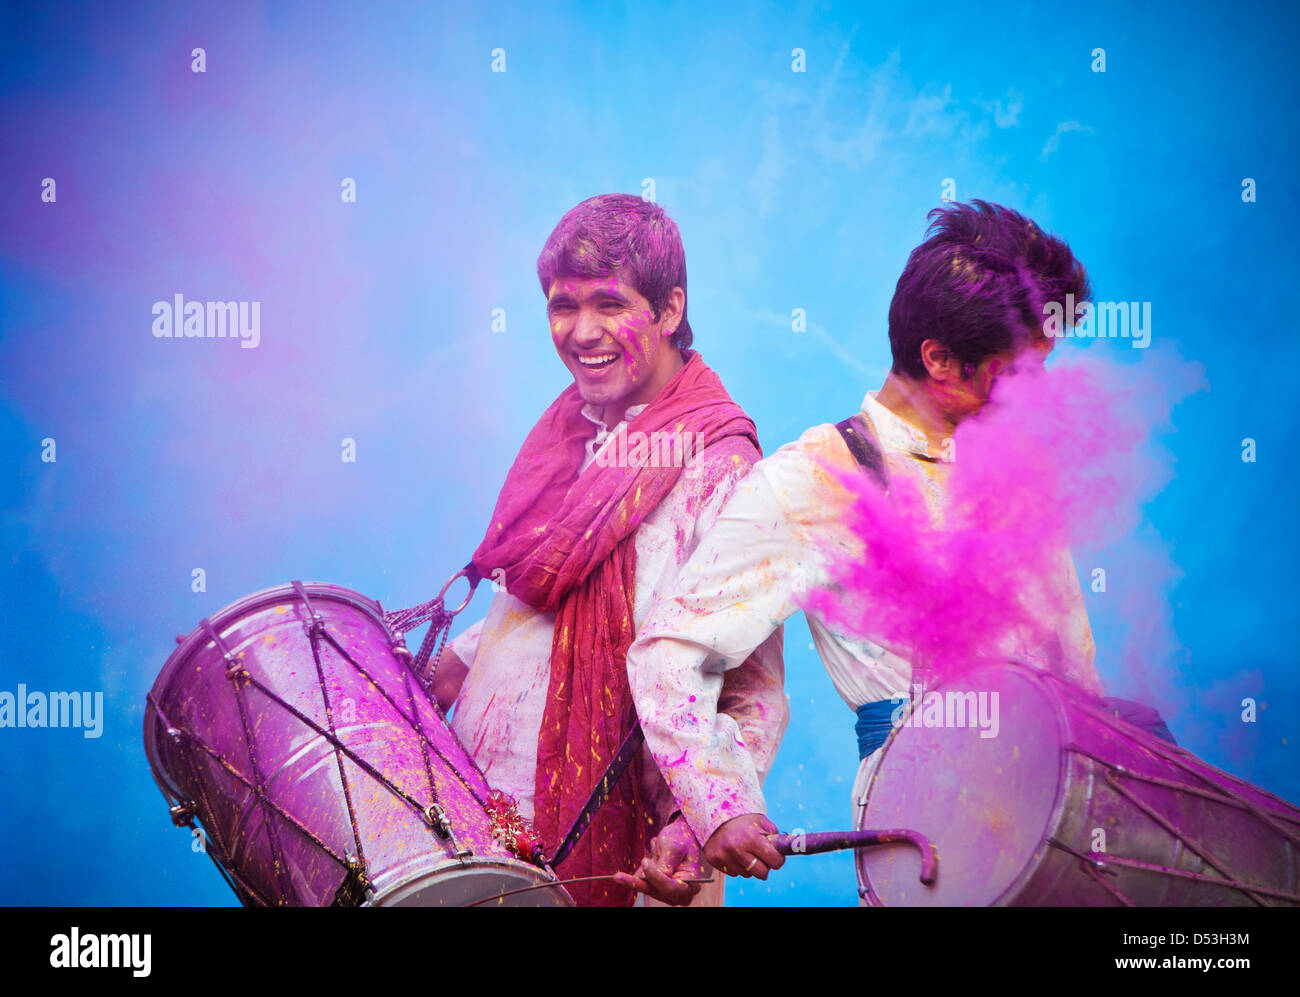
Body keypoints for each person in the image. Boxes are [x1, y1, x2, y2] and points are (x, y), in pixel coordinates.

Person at [622, 200, 1117, 897]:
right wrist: (719, 804)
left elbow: (1077, 666)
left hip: (1059, 820)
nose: (1038, 395)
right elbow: (669, 648)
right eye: (1016, 373)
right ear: (939, 359)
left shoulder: (1017, 474)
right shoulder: (818, 477)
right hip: (927, 828)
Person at [431, 193, 788, 907]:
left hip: (636, 861)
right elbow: (538, 608)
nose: (582, 332)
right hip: (488, 834)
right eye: (563, 306)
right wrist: (439, 673)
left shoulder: (721, 465)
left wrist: (702, 816)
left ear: (669, 309)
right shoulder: (569, 432)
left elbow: (753, 689)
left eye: (609, 304)